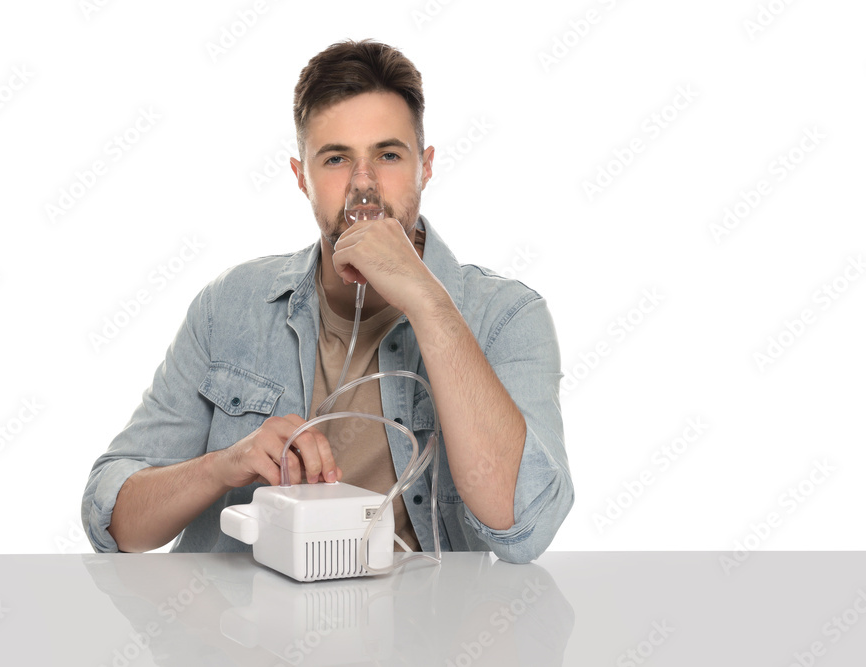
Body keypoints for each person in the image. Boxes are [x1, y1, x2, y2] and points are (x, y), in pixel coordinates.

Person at [82, 39, 573, 563]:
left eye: (388, 155)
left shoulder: (506, 317)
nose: (364, 189)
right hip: (242, 636)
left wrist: (429, 302)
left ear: (425, 168)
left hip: (420, 639)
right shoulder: (231, 307)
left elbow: (526, 527)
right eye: (337, 159)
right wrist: (227, 464)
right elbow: (113, 523)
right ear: (302, 178)